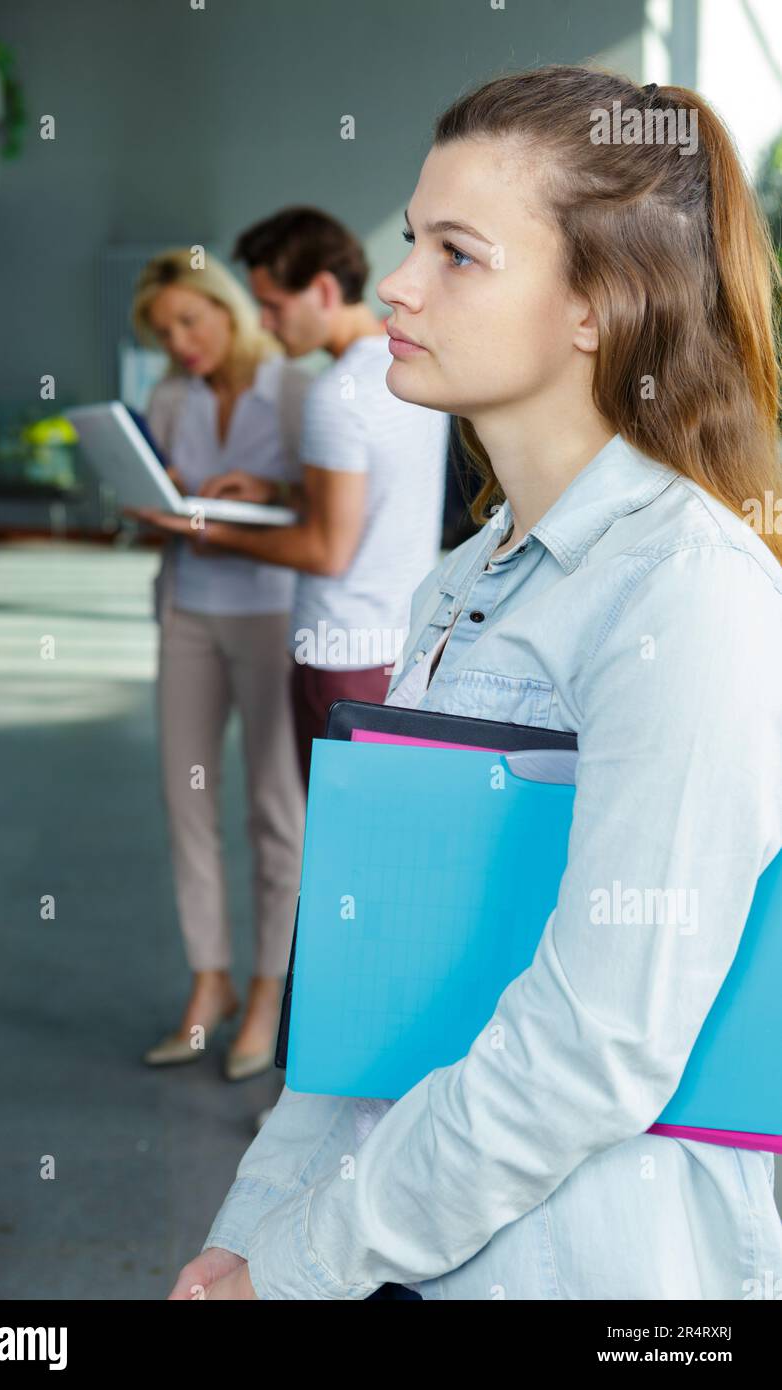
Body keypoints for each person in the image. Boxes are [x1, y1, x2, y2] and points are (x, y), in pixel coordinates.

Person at [168, 65, 782, 1299]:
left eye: (457, 253)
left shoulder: (686, 594)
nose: (396, 282)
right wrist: (248, 1232)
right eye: (411, 240)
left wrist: (304, 1259)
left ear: (598, 306)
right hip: (417, 1235)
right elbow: (369, 983)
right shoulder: (462, 581)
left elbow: (594, 1046)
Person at [134, 208, 450, 788]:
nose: (267, 324)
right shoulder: (408, 367)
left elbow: (326, 549)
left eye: (275, 306)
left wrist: (207, 530)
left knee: (333, 842)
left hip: (337, 658)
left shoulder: (334, 396)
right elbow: (370, 494)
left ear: (324, 290)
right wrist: (276, 490)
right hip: (399, 650)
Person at [129, 248, 309, 1081]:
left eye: (190, 319)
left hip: (274, 613)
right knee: (185, 804)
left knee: (278, 813)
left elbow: (333, 508)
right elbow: (152, 513)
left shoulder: (295, 387)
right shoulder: (169, 397)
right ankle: (211, 985)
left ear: (226, 306)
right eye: (166, 331)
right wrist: (156, 499)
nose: (181, 340)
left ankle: (269, 993)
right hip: (190, 613)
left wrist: (261, 498)